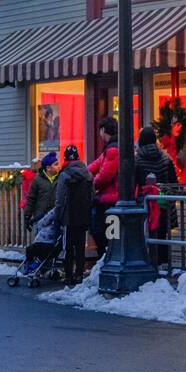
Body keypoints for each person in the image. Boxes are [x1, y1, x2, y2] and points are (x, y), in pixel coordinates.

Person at [133, 126, 175, 270]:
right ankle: (162, 262)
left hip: (144, 202)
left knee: (145, 233)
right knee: (162, 233)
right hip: (162, 201)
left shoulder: (137, 159)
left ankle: (147, 262)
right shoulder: (165, 157)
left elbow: (133, 182)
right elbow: (173, 183)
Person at [51, 144, 93, 286]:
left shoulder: (64, 175)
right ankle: (79, 274)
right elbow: (91, 195)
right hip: (83, 215)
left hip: (69, 217)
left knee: (68, 247)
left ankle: (68, 275)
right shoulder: (87, 173)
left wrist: (57, 216)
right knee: (80, 247)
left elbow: (60, 198)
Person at [88, 117, 120, 260]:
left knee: (102, 230)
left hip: (111, 198)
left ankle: (107, 257)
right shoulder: (110, 149)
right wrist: (83, 172)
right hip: (111, 197)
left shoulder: (113, 150)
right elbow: (96, 165)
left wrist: (90, 183)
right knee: (106, 231)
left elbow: (104, 175)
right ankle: (107, 255)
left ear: (103, 130)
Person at [24, 151, 61, 228]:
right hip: (41, 218)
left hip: (57, 218)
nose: (59, 166)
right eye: (56, 164)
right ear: (48, 168)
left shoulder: (61, 178)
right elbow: (31, 199)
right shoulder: (37, 180)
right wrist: (27, 216)